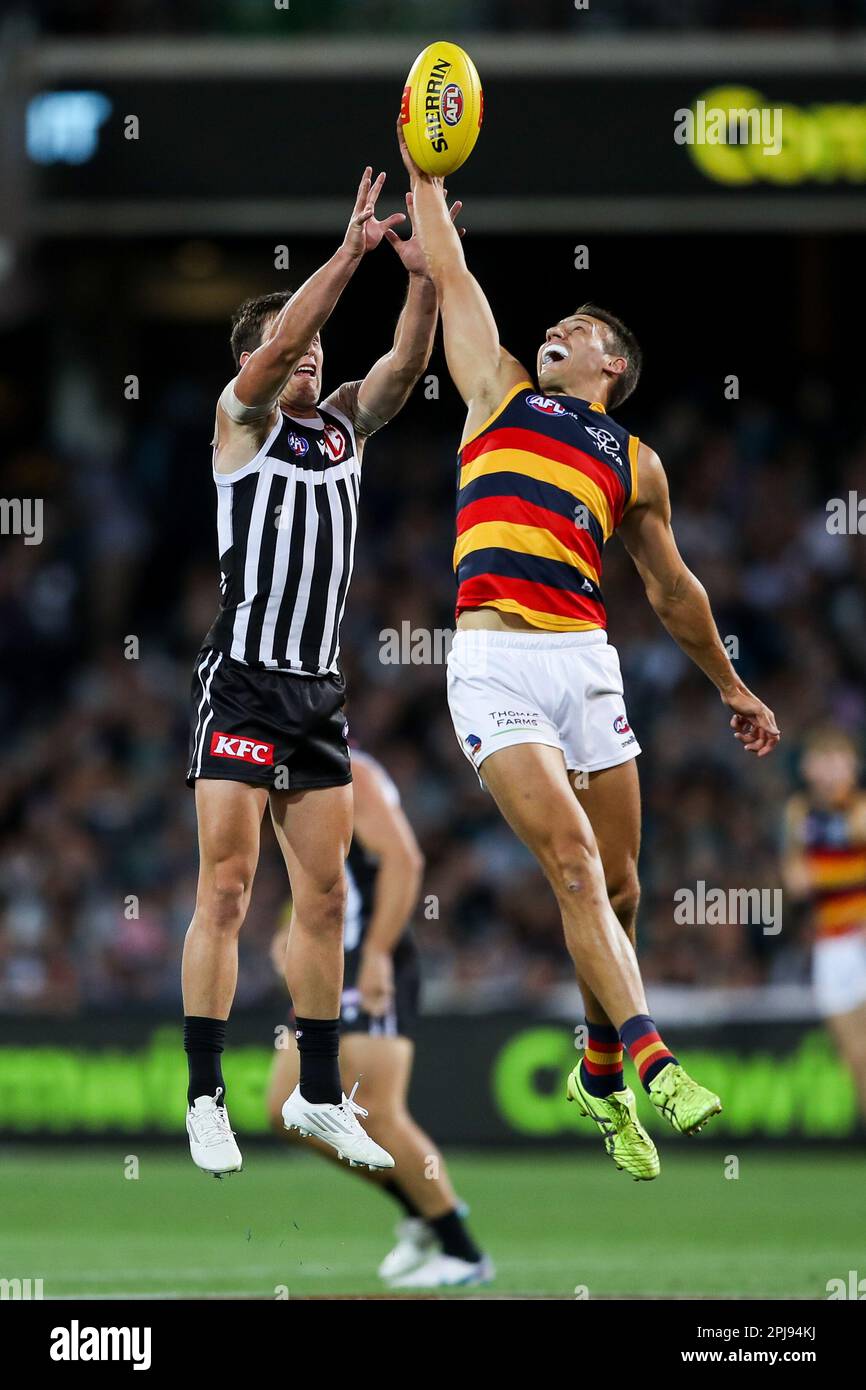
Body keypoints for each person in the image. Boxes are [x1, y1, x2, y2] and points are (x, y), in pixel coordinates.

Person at [398, 122, 780, 1180]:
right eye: (556, 321)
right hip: (492, 665)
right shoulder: (495, 393)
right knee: (568, 861)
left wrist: (731, 686)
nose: (557, 325)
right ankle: (653, 1059)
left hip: (585, 666)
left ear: (612, 365)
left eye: (579, 326)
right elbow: (456, 273)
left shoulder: (635, 462)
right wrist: (426, 173)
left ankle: (596, 1073)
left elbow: (670, 588)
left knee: (617, 889)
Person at [183, 167, 458, 1177]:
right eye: (288, 348)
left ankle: (318, 1090)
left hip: (316, 692)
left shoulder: (342, 424)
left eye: (312, 353)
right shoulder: (240, 420)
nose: (306, 361)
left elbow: (402, 361)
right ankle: (206, 1094)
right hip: (246, 680)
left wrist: (423, 278)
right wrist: (345, 253)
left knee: (329, 900)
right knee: (225, 883)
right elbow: (275, 354)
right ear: (259, 357)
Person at [267, 748, 492, 1288]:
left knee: (374, 1112)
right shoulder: (285, 773)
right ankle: (418, 1205)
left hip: (370, 964)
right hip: (326, 967)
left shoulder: (349, 770)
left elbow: (403, 859)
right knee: (285, 1109)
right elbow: (320, 873)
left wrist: (375, 953)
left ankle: (462, 1251)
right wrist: (288, 934)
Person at [783, 727, 866, 1119]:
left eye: (839, 762)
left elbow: (852, 832)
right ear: (808, 768)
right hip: (831, 942)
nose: (832, 772)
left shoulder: (859, 808)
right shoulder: (800, 813)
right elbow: (796, 882)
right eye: (824, 761)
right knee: (853, 1054)